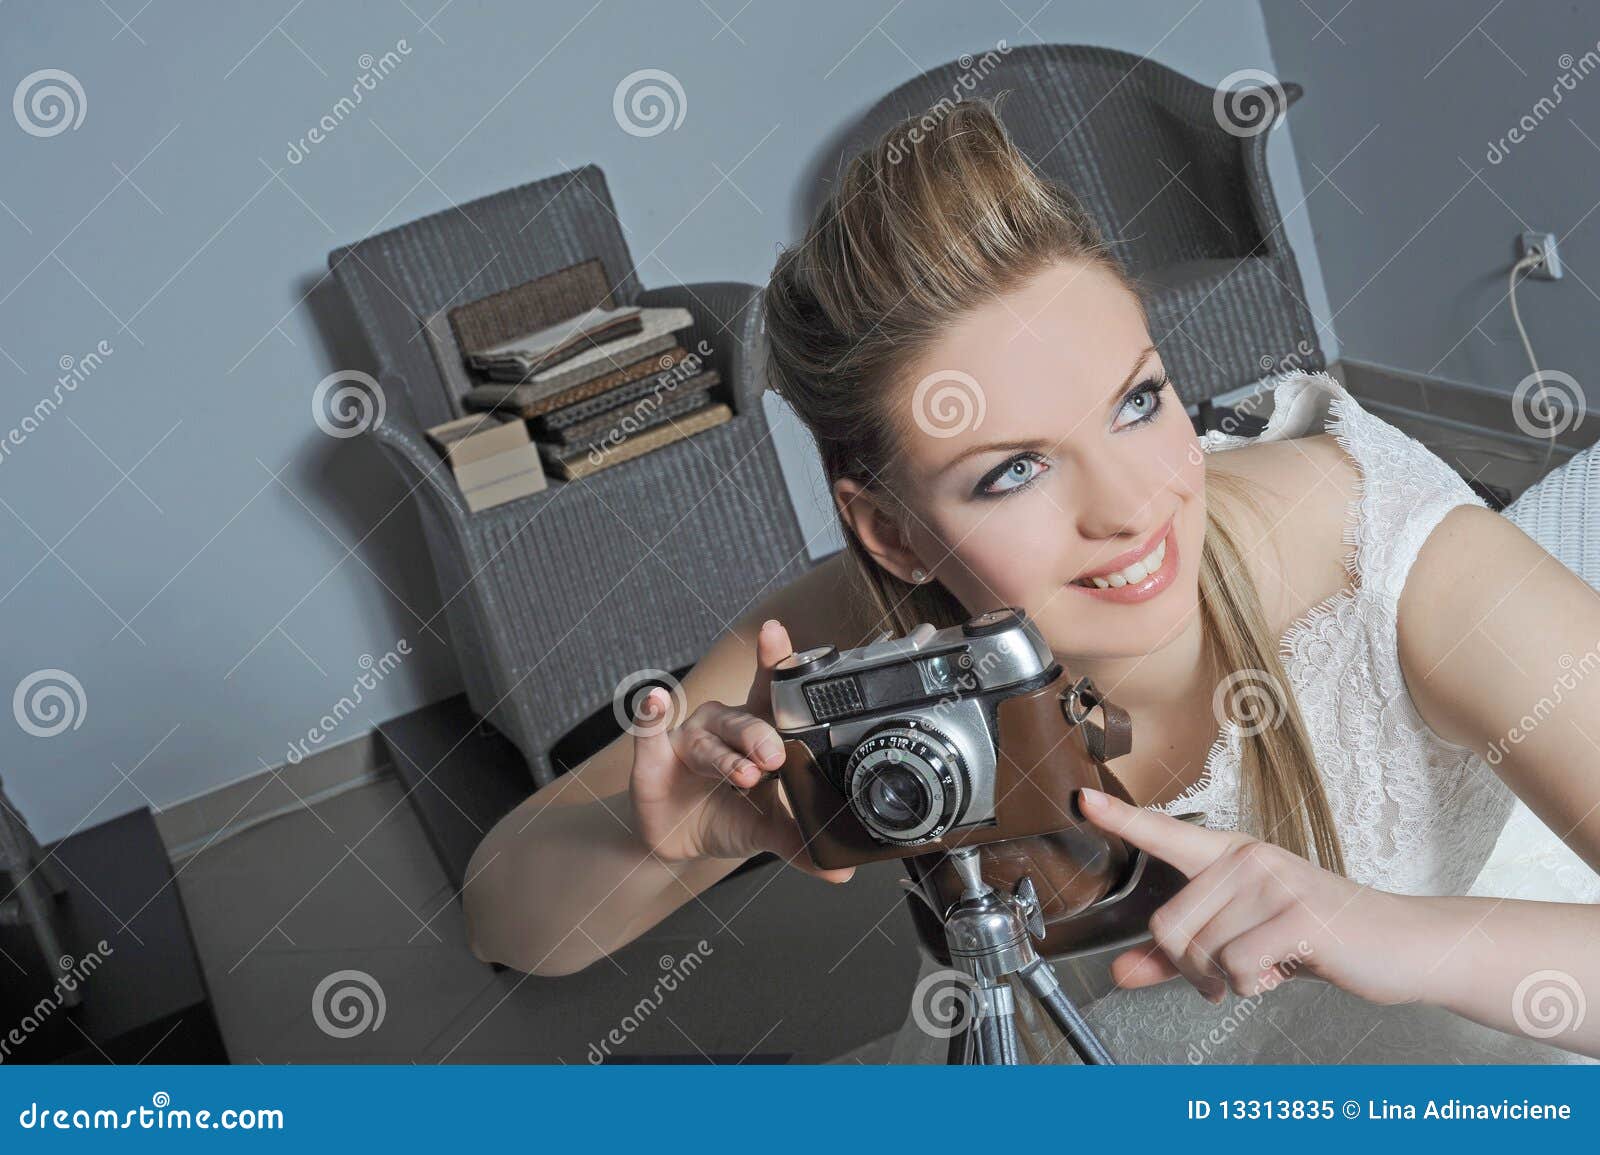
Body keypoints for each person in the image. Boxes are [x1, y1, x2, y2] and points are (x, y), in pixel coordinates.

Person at [462, 95, 1600, 1063]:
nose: (1131, 504)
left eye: (1138, 401)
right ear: (893, 535)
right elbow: (505, 920)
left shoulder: (1379, 551)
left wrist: (1402, 937)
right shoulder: (845, 627)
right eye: (1012, 470)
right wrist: (660, 842)